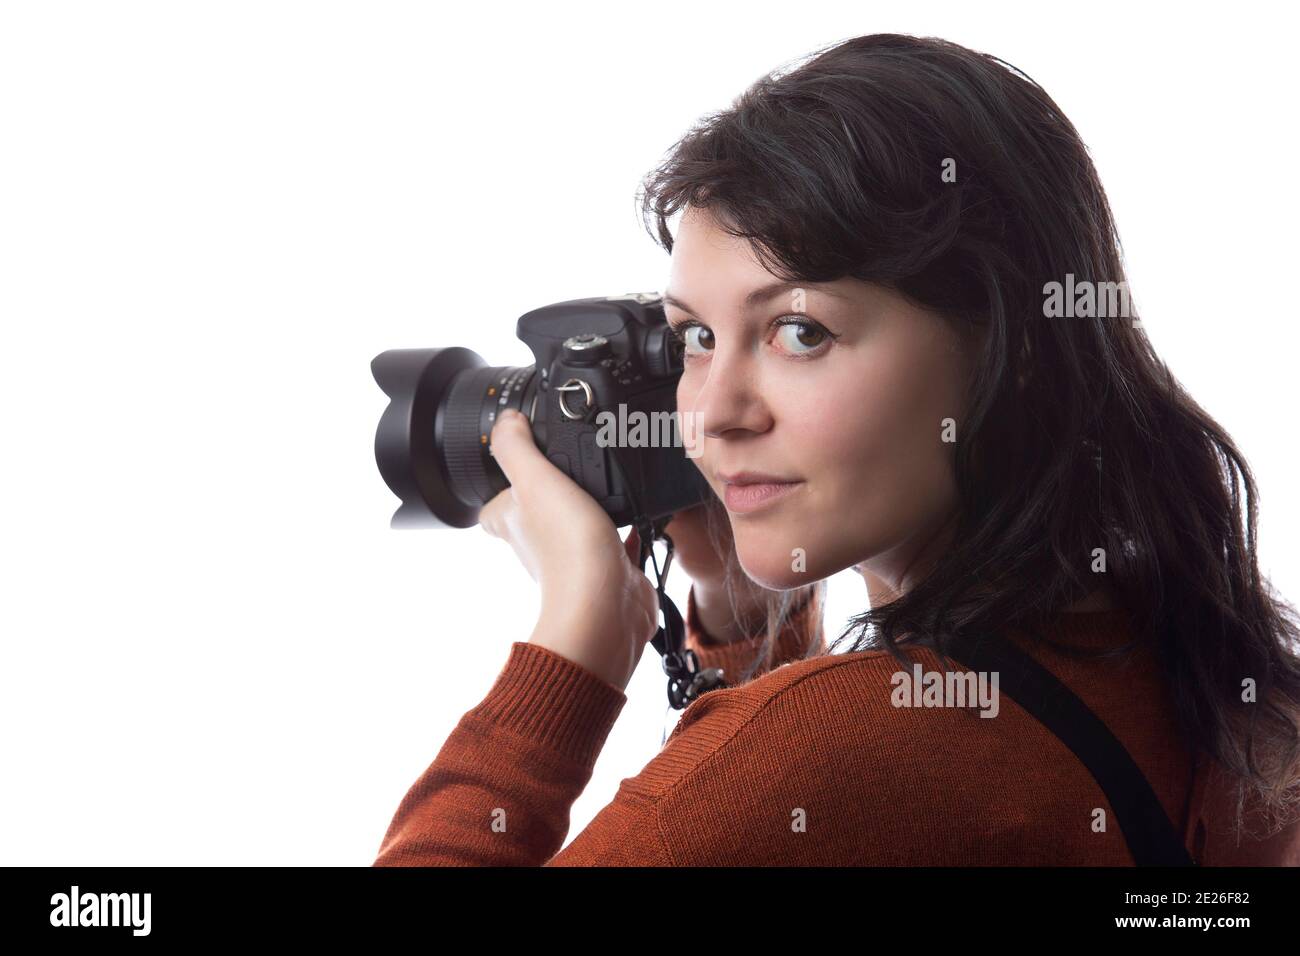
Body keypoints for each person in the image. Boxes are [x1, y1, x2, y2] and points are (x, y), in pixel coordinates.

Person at [372, 33, 1300, 866]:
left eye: (800, 333)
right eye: (693, 338)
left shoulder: (825, 751)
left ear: (1010, 351)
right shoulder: (1156, 638)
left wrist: (571, 642)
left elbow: (818, 788)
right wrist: (738, 616)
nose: (715, 415)